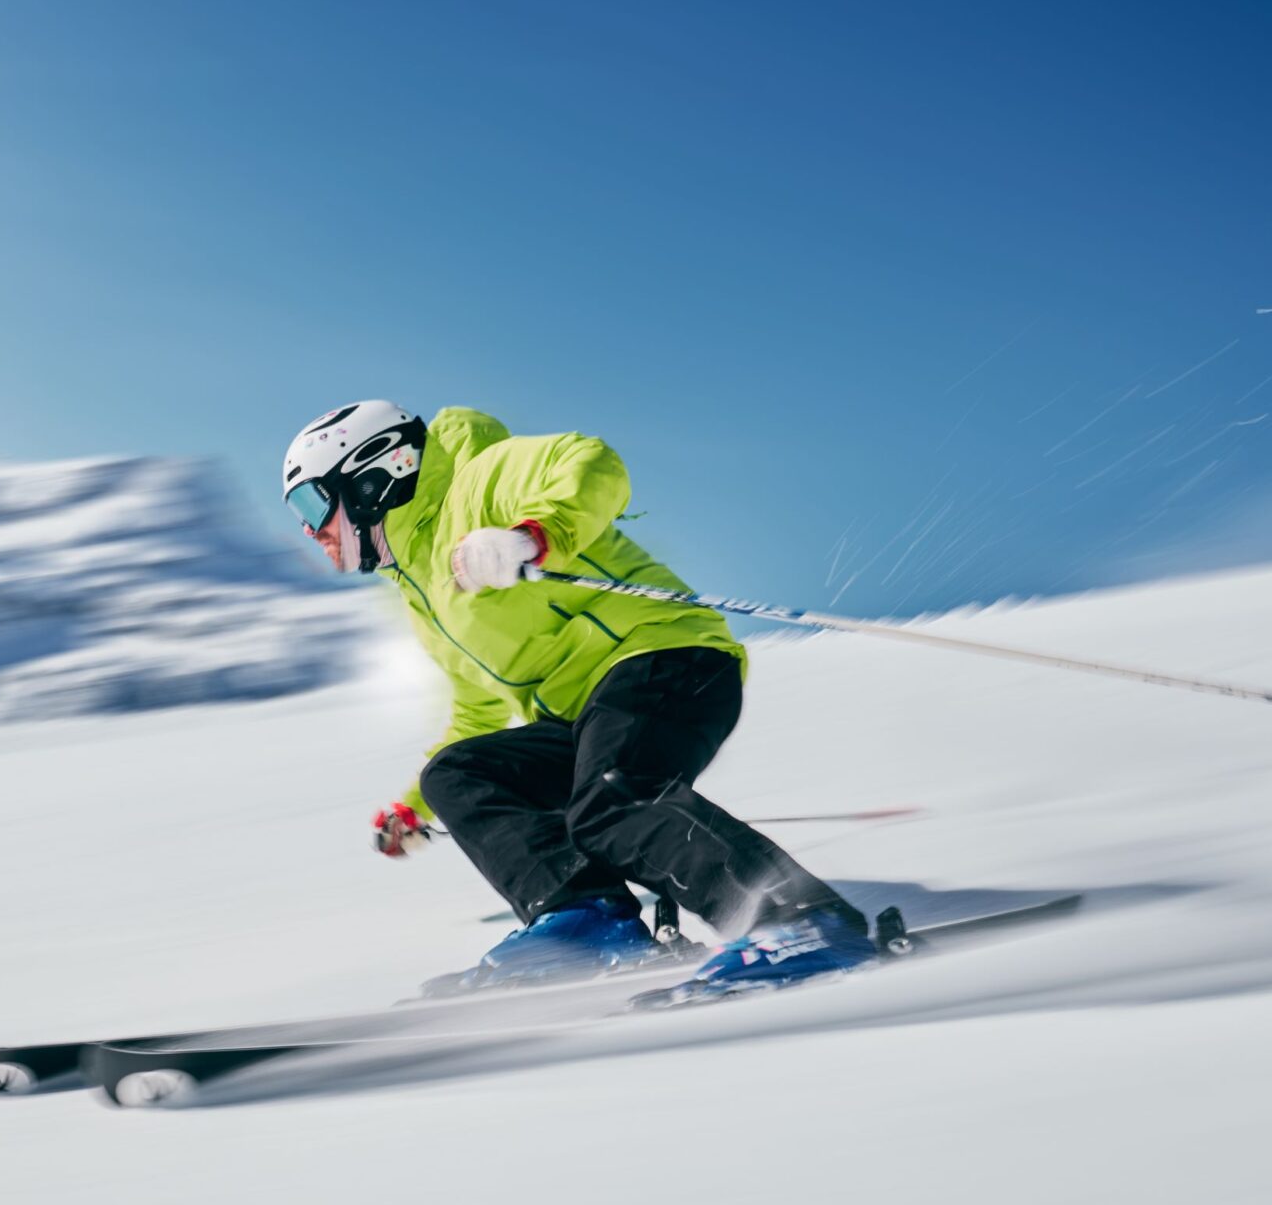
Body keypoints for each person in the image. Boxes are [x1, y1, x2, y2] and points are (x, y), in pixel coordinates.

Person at [278, 400, 875, 997]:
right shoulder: (423, 589)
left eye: (312, 505)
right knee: (456, 774)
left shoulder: (478, 477)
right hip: (586, 718)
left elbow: (592, 463)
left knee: (609, 801)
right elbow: (474, 711)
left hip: (664, 658)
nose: (312, 532)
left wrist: (533, 536)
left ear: (372, 476)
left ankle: (803, 921)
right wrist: (413, 807)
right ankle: (587, 921)